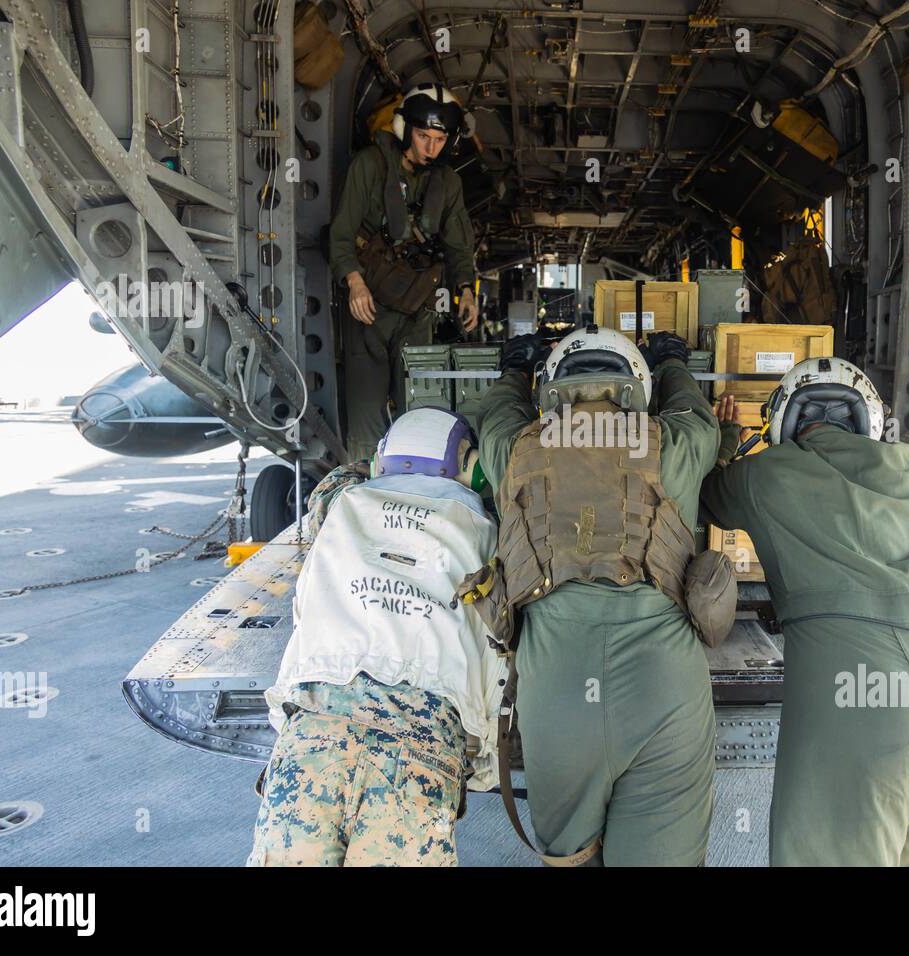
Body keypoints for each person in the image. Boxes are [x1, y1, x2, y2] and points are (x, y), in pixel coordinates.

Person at [701, 358, 909, 866]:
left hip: (863, 702)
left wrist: (725, 436)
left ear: (783, 423)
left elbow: (700, 495)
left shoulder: (766, 475)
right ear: (870, 422)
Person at [467, 326, 724, 866]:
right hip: (666, 691)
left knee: (569, 858)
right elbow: (696, 414)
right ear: (635, 387)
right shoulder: (675, 443)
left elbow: (495, 415)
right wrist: (673, 360)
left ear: (552, 389)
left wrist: (515, 366)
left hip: (557, 691)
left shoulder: (516, 447)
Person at [247, 407, 506, 866]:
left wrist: (374, 468)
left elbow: (336, 481)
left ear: (380, 463)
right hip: (419, 746)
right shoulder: (490, 532)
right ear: (471, 468)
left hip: (313, 732)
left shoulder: (339, 508)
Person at [330, 83, 480, 462]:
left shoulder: (447, 184)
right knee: (366, 406)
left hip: (416, 307)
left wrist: (466, 288)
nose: (431, 147)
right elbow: (341, 234)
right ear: (404, 130)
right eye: (423, 136)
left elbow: (458, 244)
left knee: (420, 404)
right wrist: (355, 282)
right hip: (370, 307)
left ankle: (416, 481)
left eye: (439, 138)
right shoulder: (370, 166)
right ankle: (365, 478)